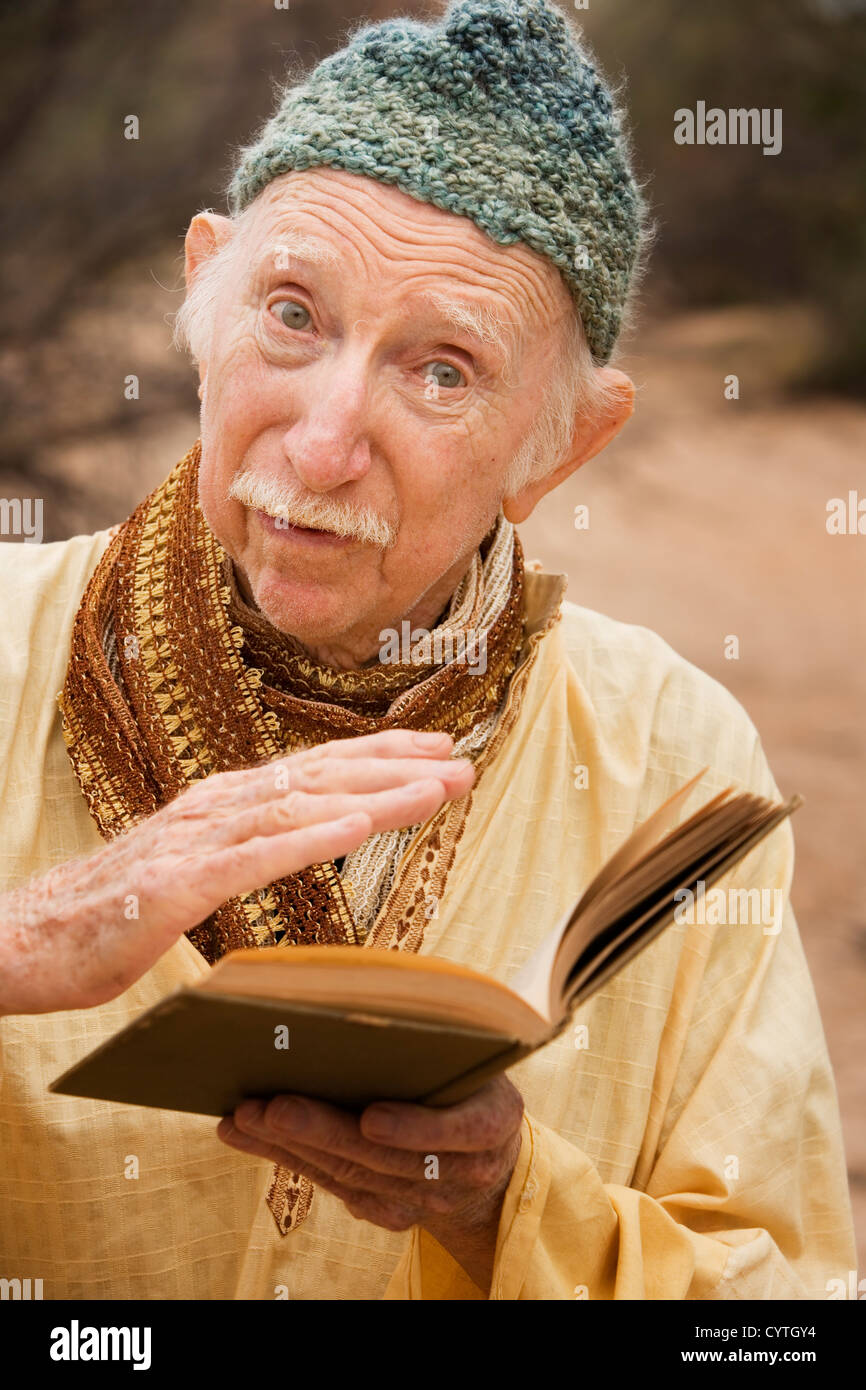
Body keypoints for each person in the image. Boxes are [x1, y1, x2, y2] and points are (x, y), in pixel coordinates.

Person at [0, 0, 854, 1300]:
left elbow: (775, 1307)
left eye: (442, 370)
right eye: (290, 313)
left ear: (558, 445)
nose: (323, 439)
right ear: (202, 287)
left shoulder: (673, 761)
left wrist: (513, 1204)